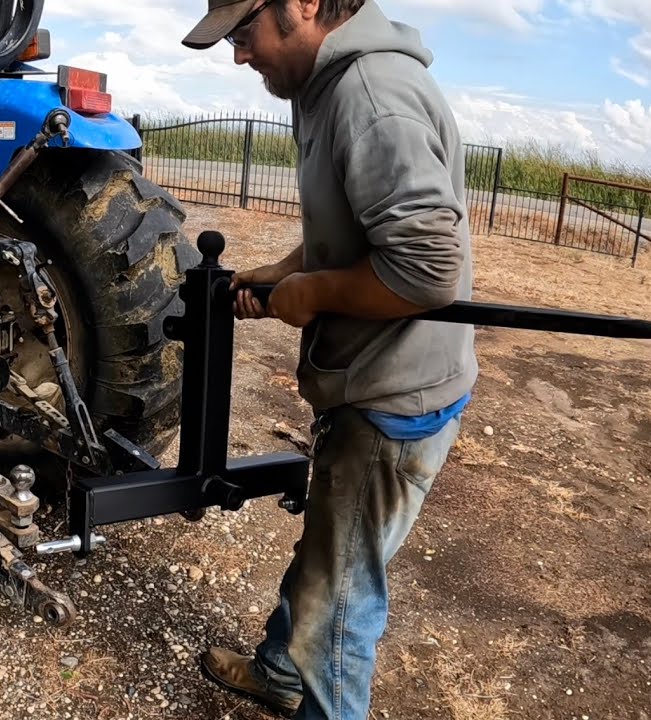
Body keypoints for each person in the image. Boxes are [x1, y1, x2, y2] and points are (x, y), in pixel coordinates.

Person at [180, 1, 478, 718]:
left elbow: (429, 267)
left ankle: (312, 688)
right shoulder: (324, 86)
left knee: (339, 612)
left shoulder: (371, 95)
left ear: (304, 5)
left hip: (391, 400)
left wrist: (314, 293)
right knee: (333, 555)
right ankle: (280, 672)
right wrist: (282, 273)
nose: (240, 57)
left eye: (245, 35)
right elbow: (350, 238)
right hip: (382, 381)